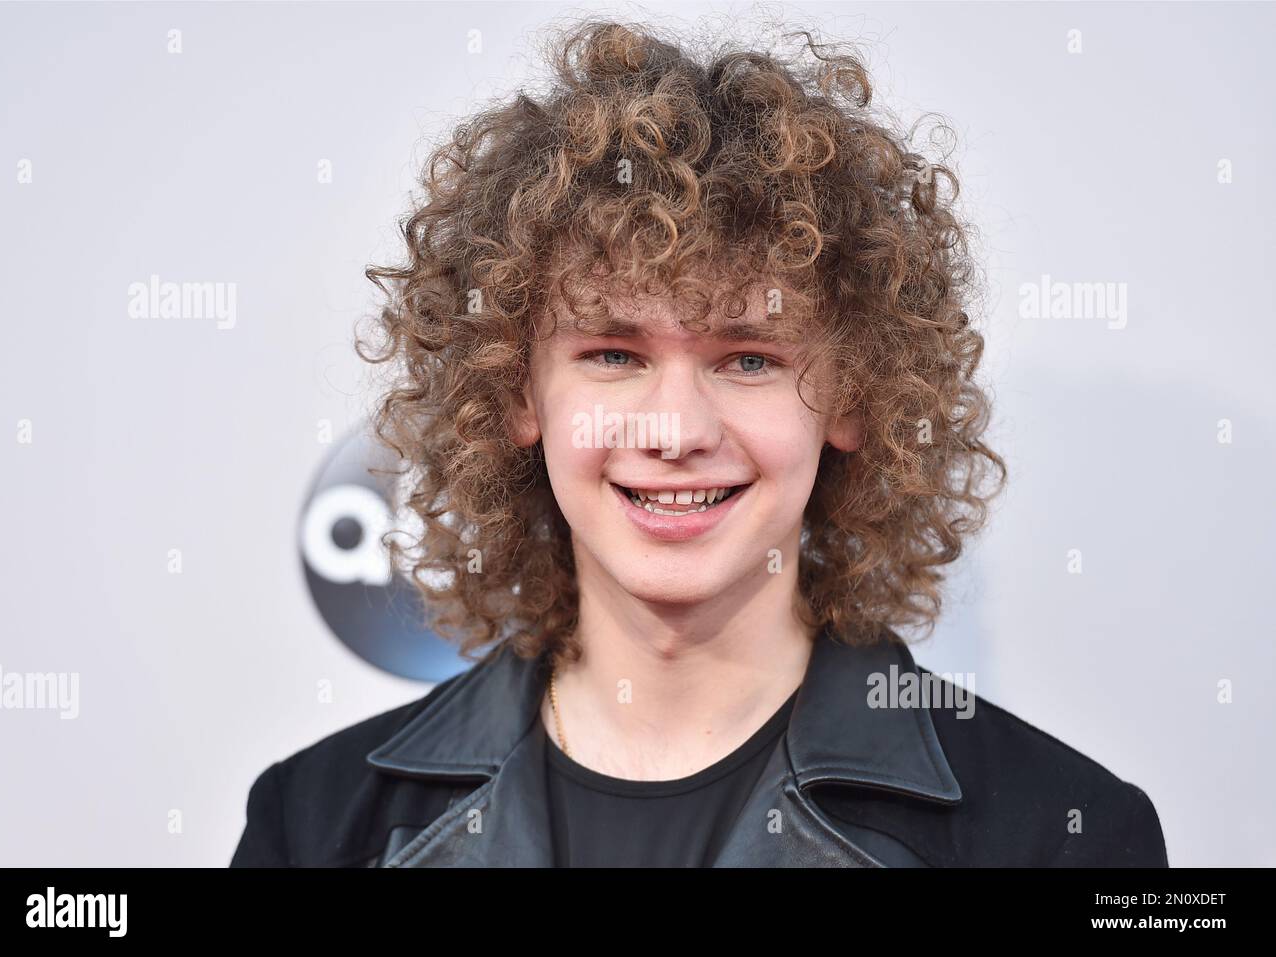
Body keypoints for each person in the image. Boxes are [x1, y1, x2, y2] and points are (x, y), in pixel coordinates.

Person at [230, 18, 1167, 867]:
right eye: (613, 354)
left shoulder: (1060, 836)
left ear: (852, 396)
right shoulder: (314, 826)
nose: (676, 430)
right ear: (518, 392)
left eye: (749, 359)